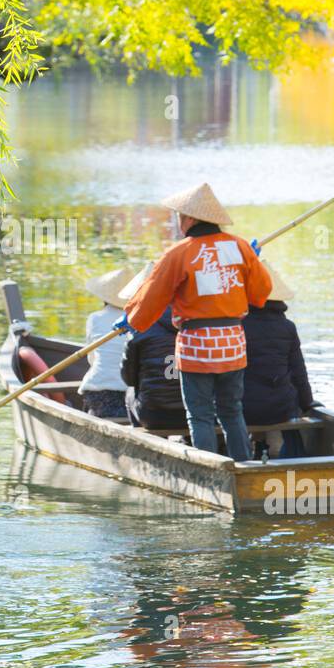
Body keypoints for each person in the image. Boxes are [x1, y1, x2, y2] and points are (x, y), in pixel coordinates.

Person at [118, 182, 271, 462]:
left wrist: (132, 318)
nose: (178, 222)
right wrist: (252, 262)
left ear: (189, 218)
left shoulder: (179, 253)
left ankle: (210, 470)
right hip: (232, 343)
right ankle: (245, 465)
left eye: (179, 216)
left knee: (200, 415)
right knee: (232, 410)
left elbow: (153, 294)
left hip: (196, 345)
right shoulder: (239, 248)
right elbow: (261, 294)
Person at [242, 261, 316, 459]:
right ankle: (262, 446)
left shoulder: (236, 326)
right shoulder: (288, 327)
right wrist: (308, 404)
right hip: (280, 409)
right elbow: (299, 373)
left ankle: (256, 448)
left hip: (243, 409)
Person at [118, 262, 183, 430]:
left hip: (153, 414)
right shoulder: (193, 325)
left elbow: (128, 378)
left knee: (130, 394)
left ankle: (139, 447)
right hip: (195, 412)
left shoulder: (140, 329)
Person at [78, 266, 137, 419]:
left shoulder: (95, 318)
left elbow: (92, 358)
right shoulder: (141, 319)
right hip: (132, 390)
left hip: (98, 388)